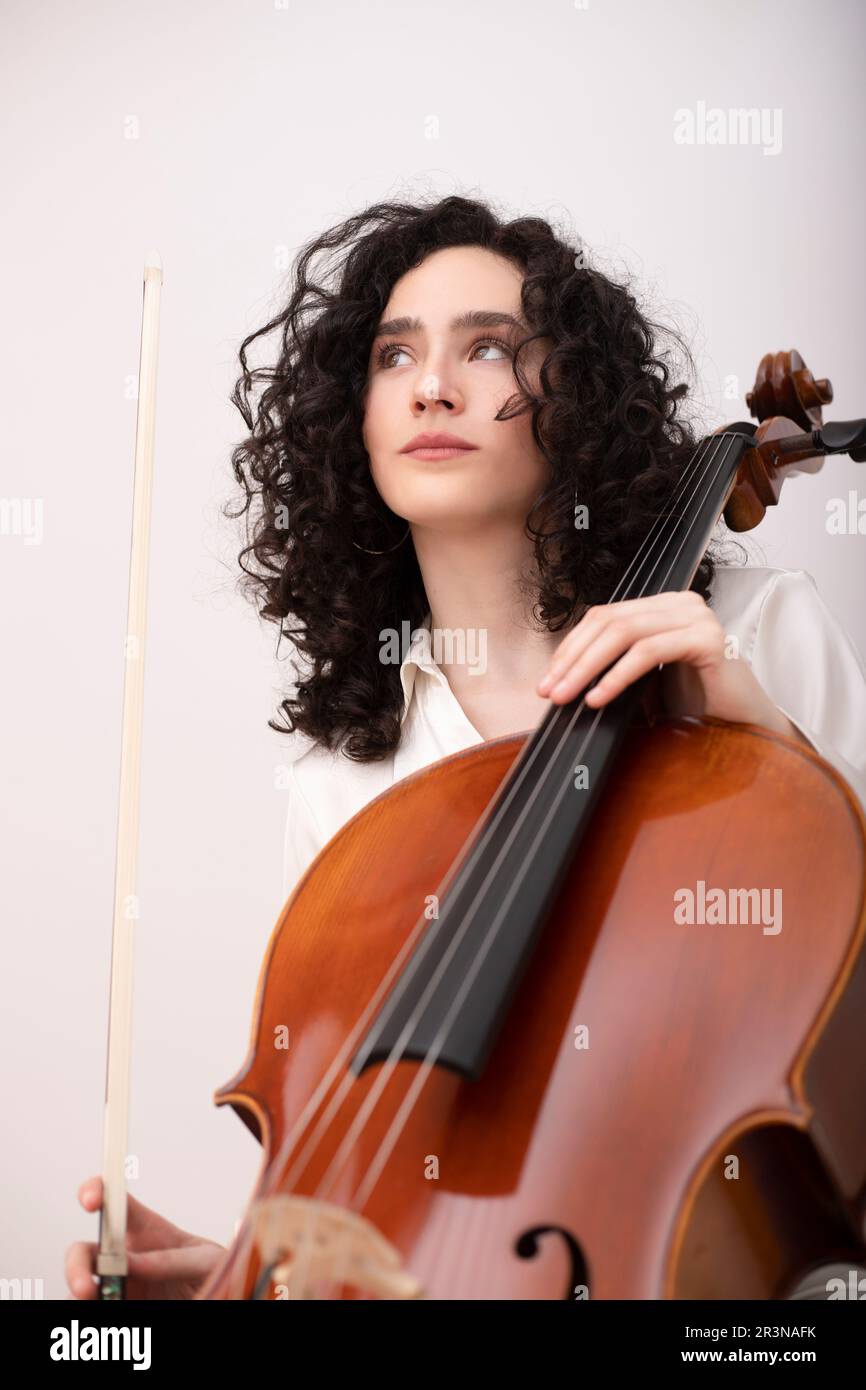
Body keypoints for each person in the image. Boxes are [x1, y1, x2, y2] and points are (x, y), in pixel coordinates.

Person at [66, 194, 866, 1299]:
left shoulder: (754, 631)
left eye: (486, 346)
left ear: (572, 400)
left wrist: (745, 714)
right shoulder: (346, 782)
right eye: (395, 355)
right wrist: (247, 1276)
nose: (431, 385)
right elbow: (398, 1184)